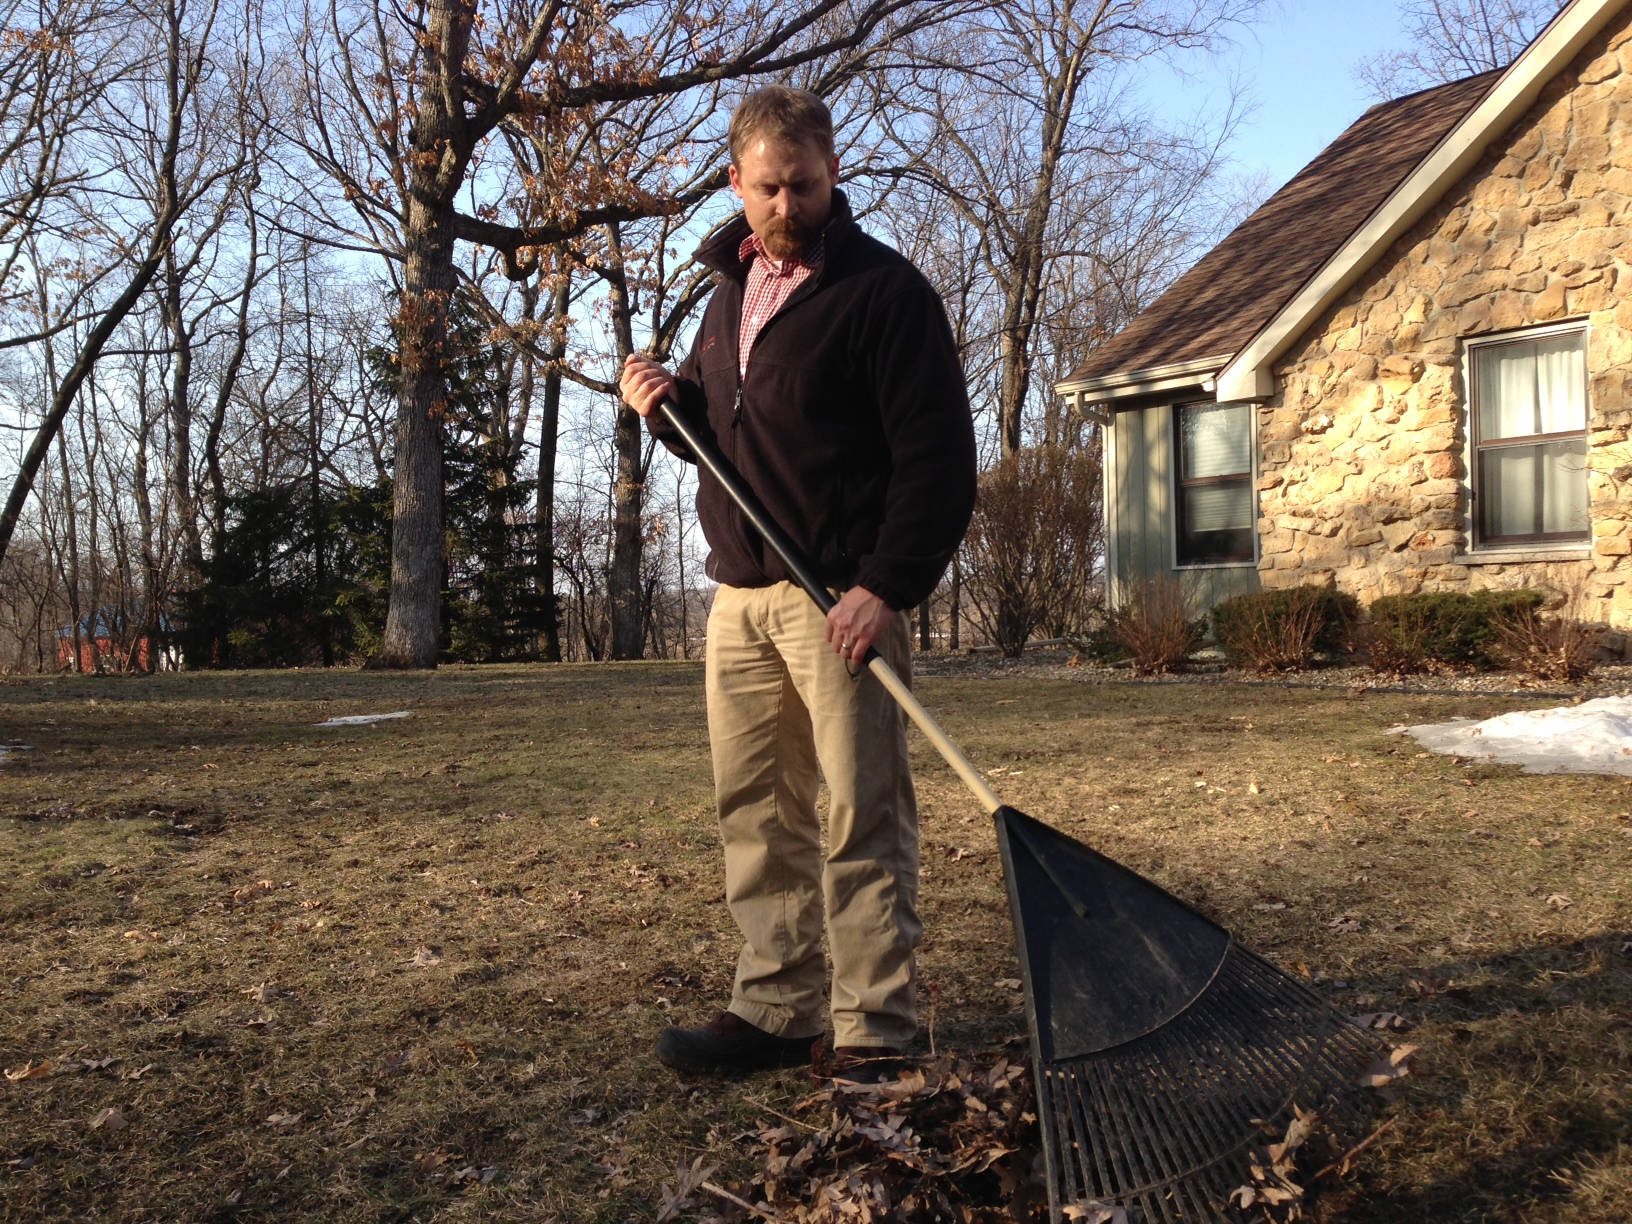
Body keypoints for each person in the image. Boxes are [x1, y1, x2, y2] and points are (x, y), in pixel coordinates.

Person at [619, 85, 976, 1079]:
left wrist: (886, 586)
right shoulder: (726, 292)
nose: (787, 206)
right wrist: (668, 406)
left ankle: (874, 1031)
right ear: (736, 183)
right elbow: (738, 447)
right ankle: (775, 1009)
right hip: (738, 600)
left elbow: (939, 463)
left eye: (805, 185)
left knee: (861, 812)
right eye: (768, 188)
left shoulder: (885, 295)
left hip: (841, 604)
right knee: (759, 811)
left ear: (833, 174)